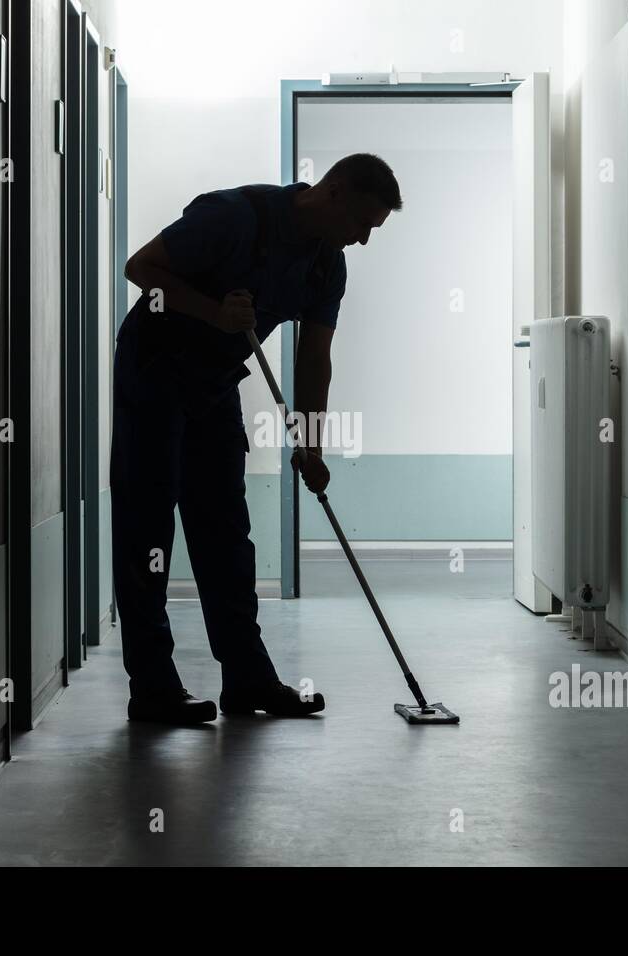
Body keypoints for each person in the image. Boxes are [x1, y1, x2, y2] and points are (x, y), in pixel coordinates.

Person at [112, 153, 402, 724]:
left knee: (225, 532)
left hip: (215, 384)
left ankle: (247, 681)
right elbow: (140, 268)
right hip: (154, 368)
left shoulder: (327, 265)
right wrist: (214, 311)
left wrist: (311, 444)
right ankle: (153, 688)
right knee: (147, 528)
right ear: (335, 192)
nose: (363, 240)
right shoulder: (234, 215)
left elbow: (315, 356)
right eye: (363, 225)